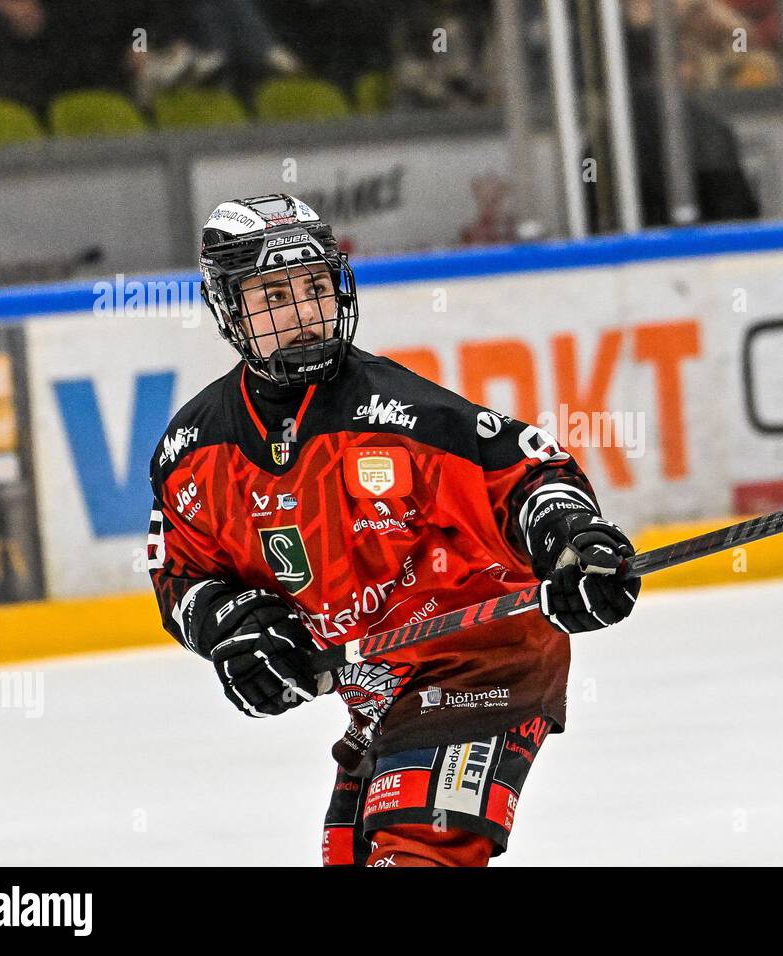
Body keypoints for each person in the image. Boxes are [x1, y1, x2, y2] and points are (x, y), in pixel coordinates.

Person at [147, 194, 640, 866]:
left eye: (315, 288)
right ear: (229, 310)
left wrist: (575, 546)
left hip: (486, 668)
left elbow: (527, 474)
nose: (304, 317)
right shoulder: (193, 451)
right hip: (382, 693)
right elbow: (184, 573)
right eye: (274, 299)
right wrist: (241, 626)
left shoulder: (403, 416)